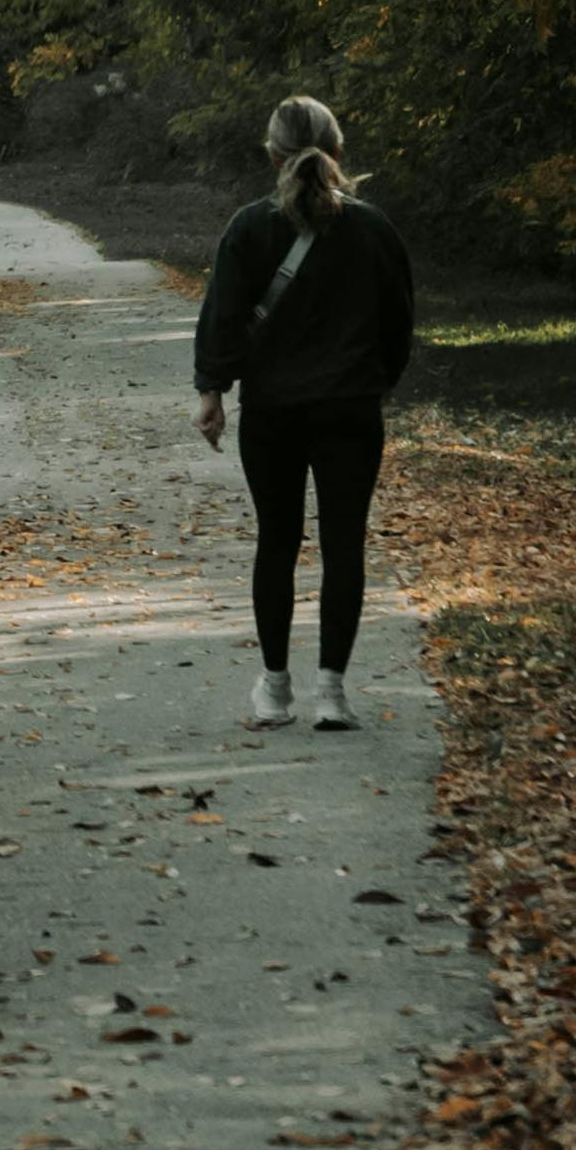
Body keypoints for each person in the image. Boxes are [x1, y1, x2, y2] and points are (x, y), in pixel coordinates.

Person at [192, 91, 415, 730]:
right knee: (344, 545)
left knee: (277, 542)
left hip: (273, 414)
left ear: (272, 155)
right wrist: (377, 382)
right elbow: (399, 322)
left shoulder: (248, 228)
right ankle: (333, 694)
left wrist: (212, 392)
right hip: (350, 411)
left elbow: (223, 315)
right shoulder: (373, 229)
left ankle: (274, 689)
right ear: (337, 150)